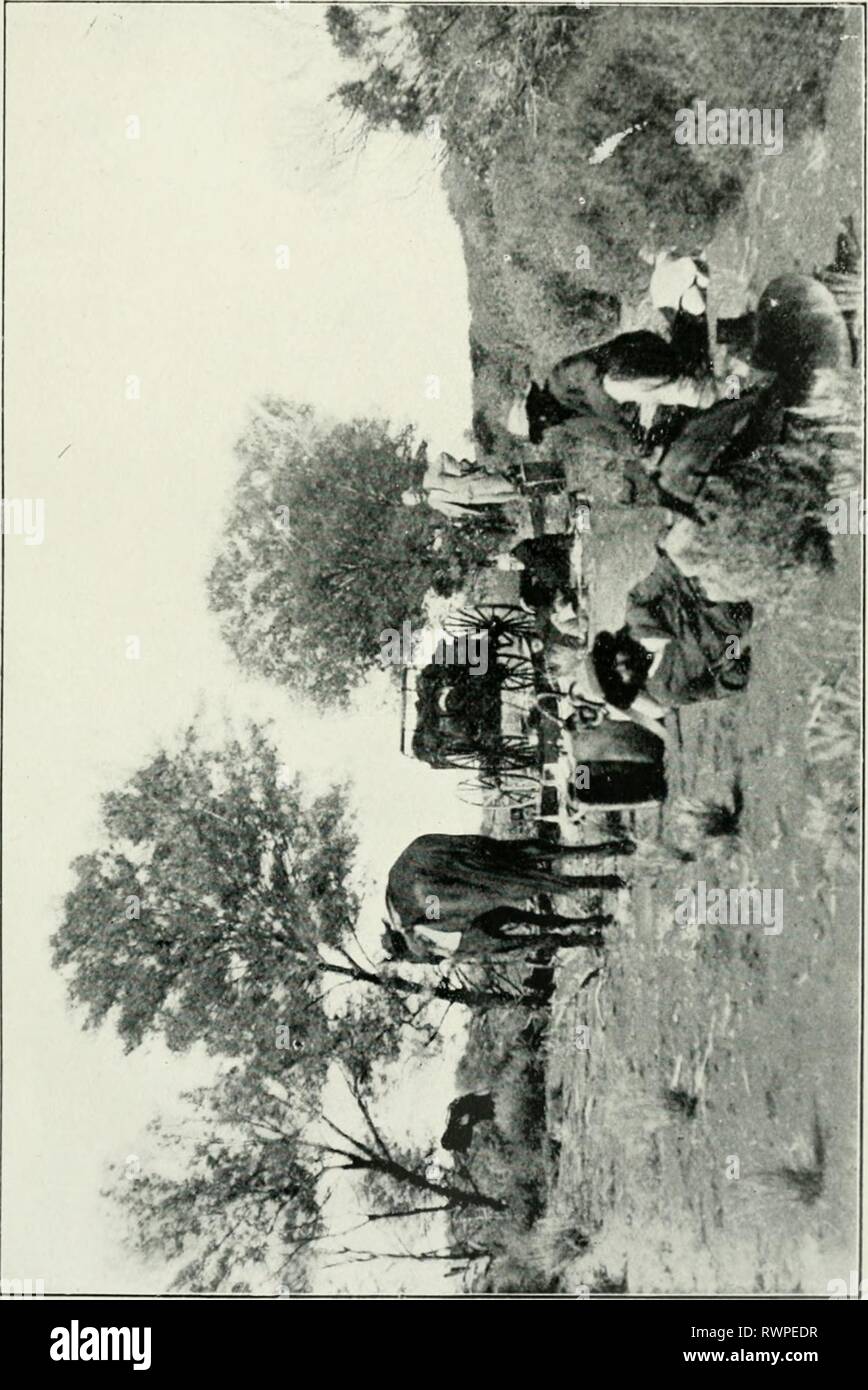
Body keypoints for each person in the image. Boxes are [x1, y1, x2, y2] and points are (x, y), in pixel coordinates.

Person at [383, 832, 633, 961]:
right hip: (424, 848)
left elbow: (433, 943)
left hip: (440, 907)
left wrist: (448, 950)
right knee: (509, 852)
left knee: (512, 886)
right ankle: (607, 849)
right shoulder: (395, 881)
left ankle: (605, 885)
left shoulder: (411, 932)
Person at [402, 451, 520, 521]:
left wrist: (458, 471)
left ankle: (528, 478)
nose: (420, 497)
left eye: (416, 495)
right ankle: (528, 494)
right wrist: (470, 514)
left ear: (414, 488)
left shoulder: (428, 477)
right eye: (417, 500)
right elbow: (450, 509)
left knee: (507, 484)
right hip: (473, 499)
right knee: (507, 497)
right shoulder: (433, 502)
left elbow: (442, 457)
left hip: (472, 483)